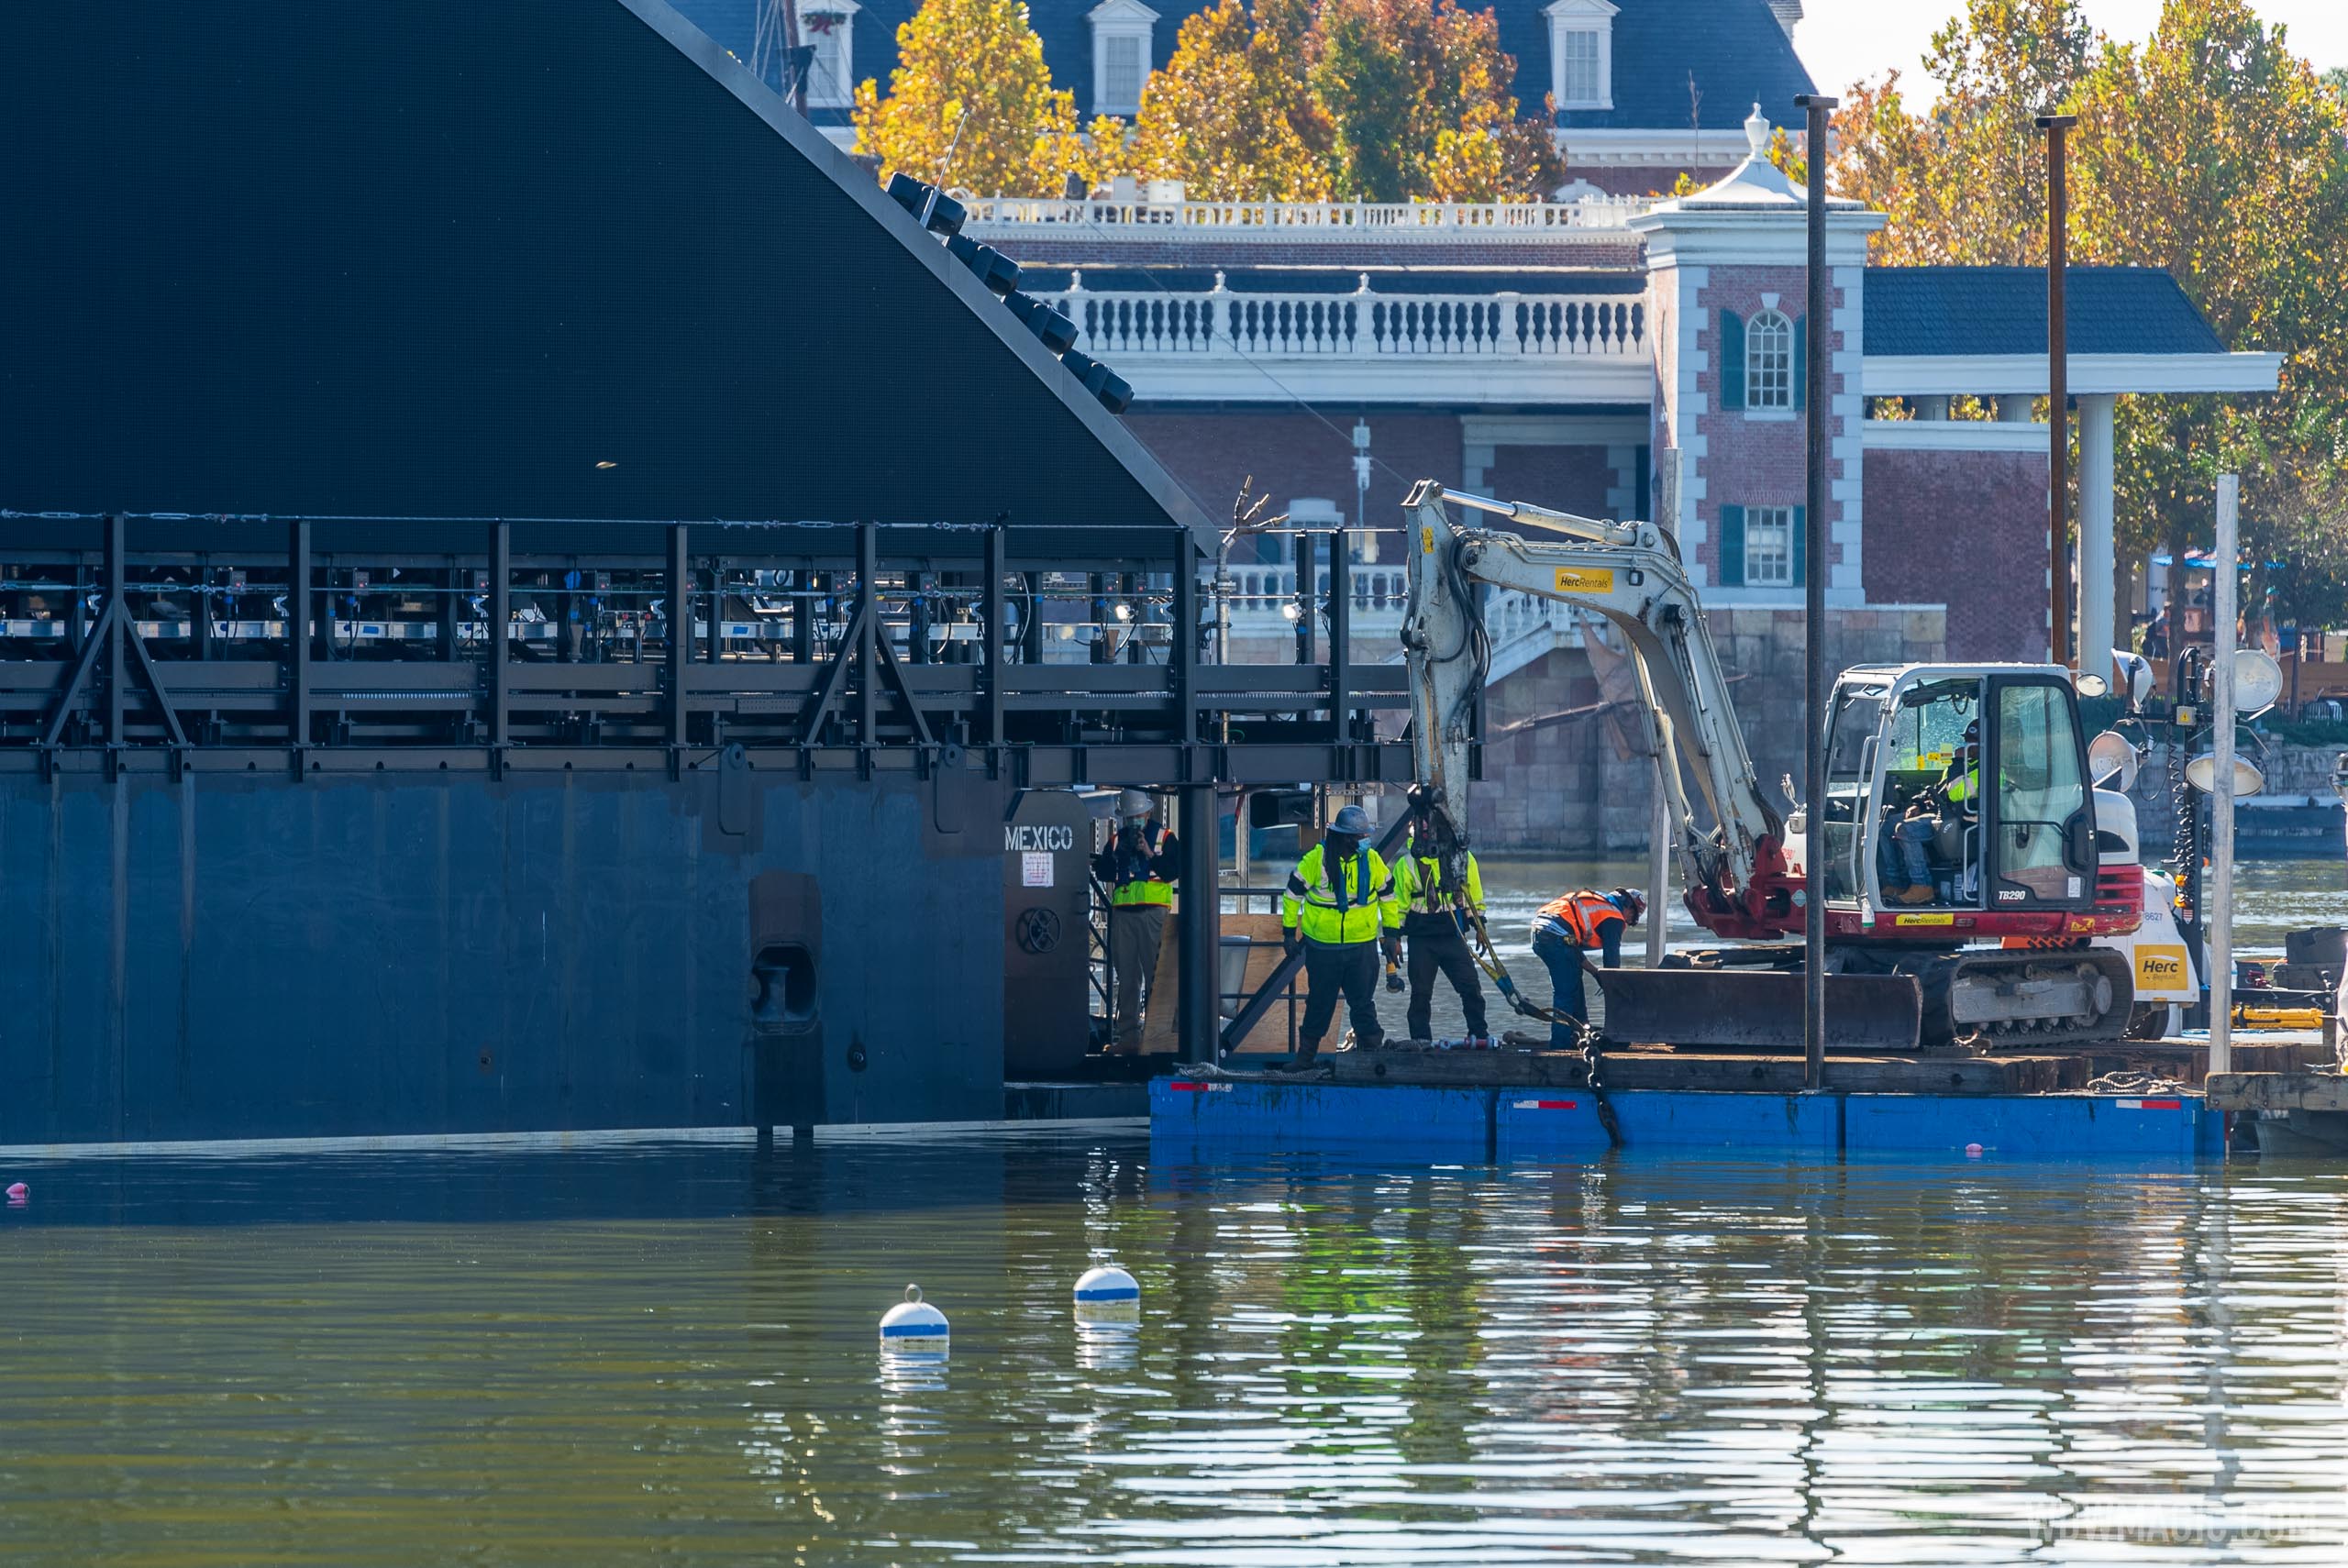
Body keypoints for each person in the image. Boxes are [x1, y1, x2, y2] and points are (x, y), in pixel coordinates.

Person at [1279, 804, 1400, 1066]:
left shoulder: (1372, 861)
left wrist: (1392, 935)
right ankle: (1305, 1059)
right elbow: (1292, 896)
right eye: (1360, 836)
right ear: (1345, 837)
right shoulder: (1317, 860)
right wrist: (1289, 933)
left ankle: (1372, 1057)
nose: (1365, 840)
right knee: (1319, 1005)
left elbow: (1388, 896)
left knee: (1363, 1005)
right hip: (1324, 949)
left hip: (1362, 947)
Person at [1389, 816, 1492, 1048]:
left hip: (1452, 935)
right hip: (1421, 939)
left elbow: (1473, 896)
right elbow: (1398, 906)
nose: (1426, 834)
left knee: (1471, 987)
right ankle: (1420, 1041)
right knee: (1421, 994)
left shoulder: (1462, 859)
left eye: (1430, 830)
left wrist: (1480, 927)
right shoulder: (1406, 865)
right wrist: (1393, 937)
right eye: (1421, 830)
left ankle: (1480, 1035)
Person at [1093, 790, 1180, 1055]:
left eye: (1138, 816)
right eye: (1130, 817)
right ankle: (1129, 1038)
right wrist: (1118, 857)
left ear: (1148, 813)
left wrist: (1149, 853)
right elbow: (1102, 870)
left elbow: (1173, 871)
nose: (1134, 822)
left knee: (1157, 977)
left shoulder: (1165, 838)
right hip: (1123, 916)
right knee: (1128, 979)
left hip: (1153, 915)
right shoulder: (1117, 841)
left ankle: (1158, 1036)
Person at [1530, 888, 1645, 1049]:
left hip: (1540, 932)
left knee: (1573, 979)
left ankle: (1580, 1034)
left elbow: (1573, 950)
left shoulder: (1595, 905)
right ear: (1628, 907)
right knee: (1566, 992)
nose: (1628, 921)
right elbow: (1611, 959)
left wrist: (1596, 973)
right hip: (1556, 936)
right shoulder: (1613, 916)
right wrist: (1613, 987)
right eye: (1633, 916)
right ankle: (1560, 1045)